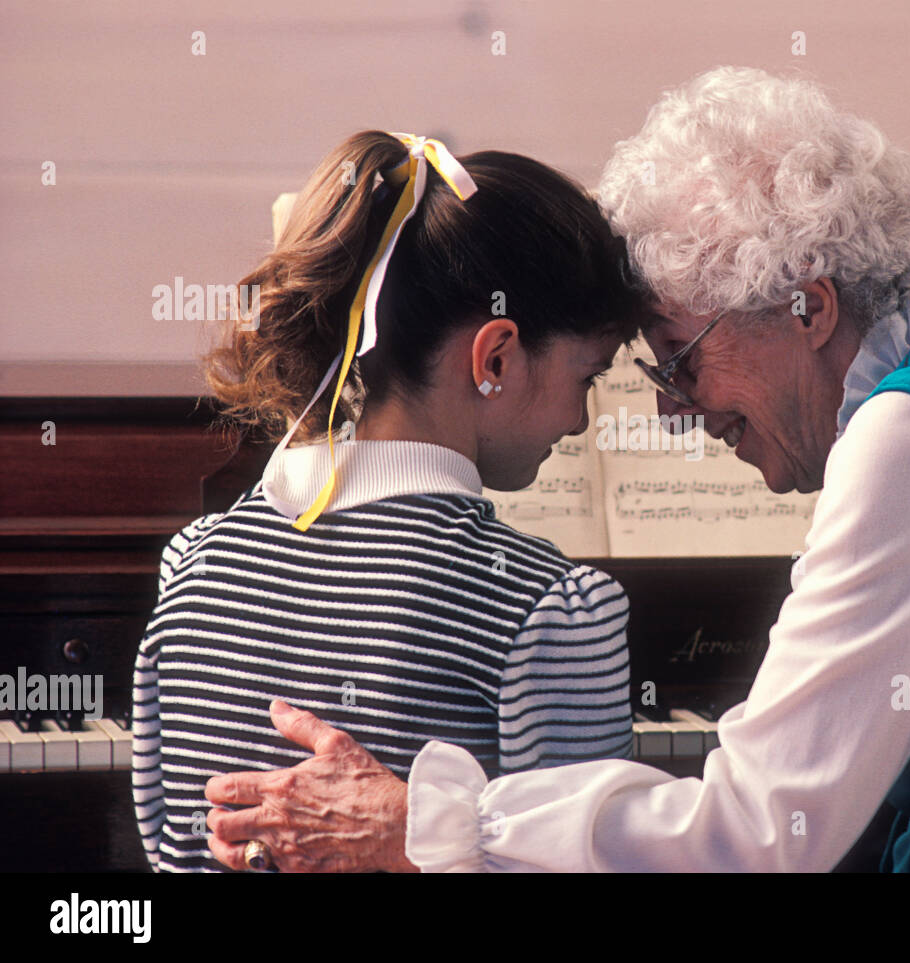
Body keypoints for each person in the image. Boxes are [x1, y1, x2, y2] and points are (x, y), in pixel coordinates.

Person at [204, 68, 910, 873]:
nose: (675, 416)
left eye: (678, 361)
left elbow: (757, 835)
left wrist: (433, 827)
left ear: (807, 307)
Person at [132, 130, 651, 871]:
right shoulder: (556, 606)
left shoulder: (194, 559)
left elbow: (164, 844)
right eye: (588, 377)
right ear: (496, 356)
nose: (579, 420)